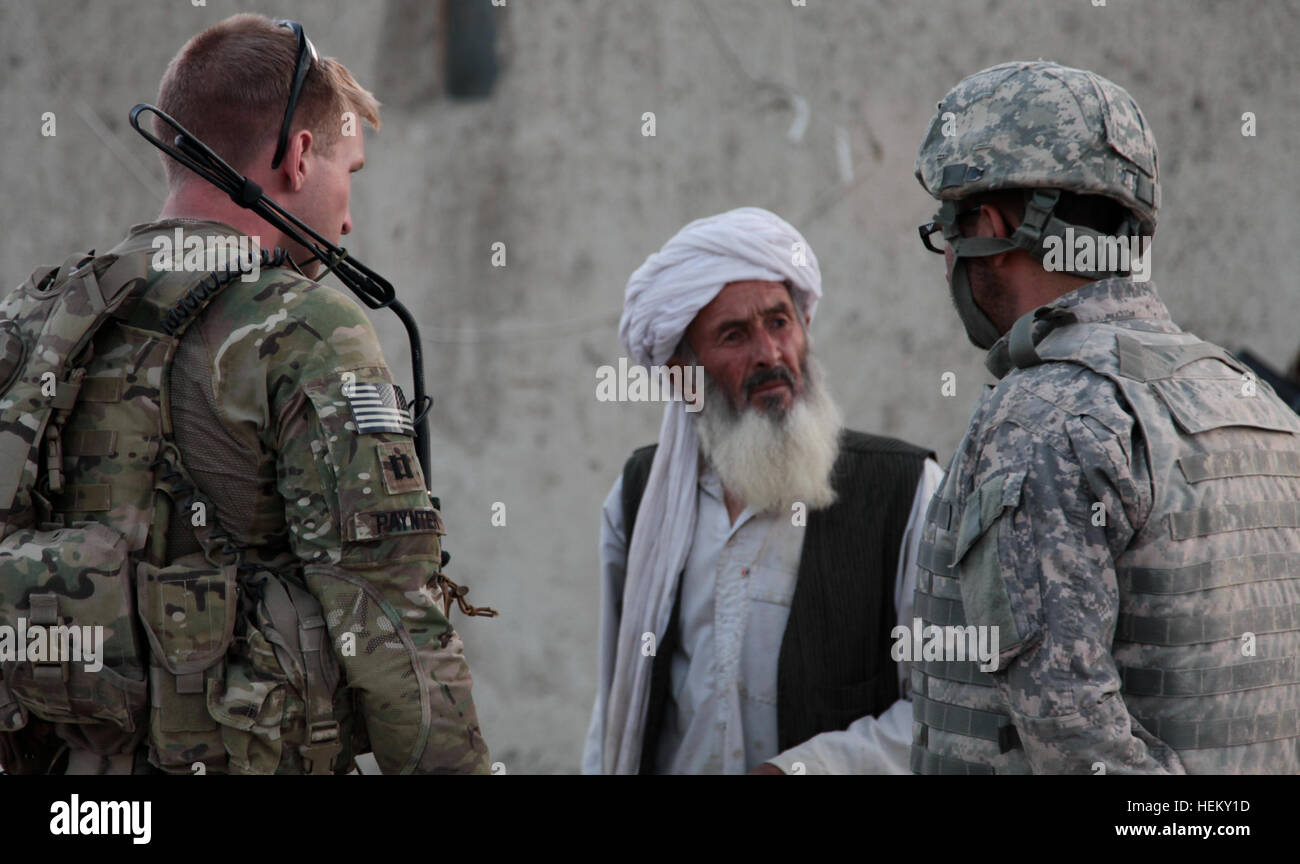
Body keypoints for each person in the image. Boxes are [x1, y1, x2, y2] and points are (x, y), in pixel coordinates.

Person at [0, 13, 488, 774]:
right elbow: (388, 612)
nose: (349, 216)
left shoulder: (33, 316)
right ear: (297, 156)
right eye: (347, 172)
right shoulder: (304, 325)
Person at [910, 60, 1300, 774]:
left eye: (947, 231)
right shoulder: (1257, 404)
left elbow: (1073, 737)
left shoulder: (1041, 416)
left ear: (989, 228)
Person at [583, 207, 942, 774]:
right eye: (733, 335)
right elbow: (618, 699)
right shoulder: (638, 500)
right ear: (684, 372)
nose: (770, 355)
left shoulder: (904, 491)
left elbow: (947, 709)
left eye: (780, 323)